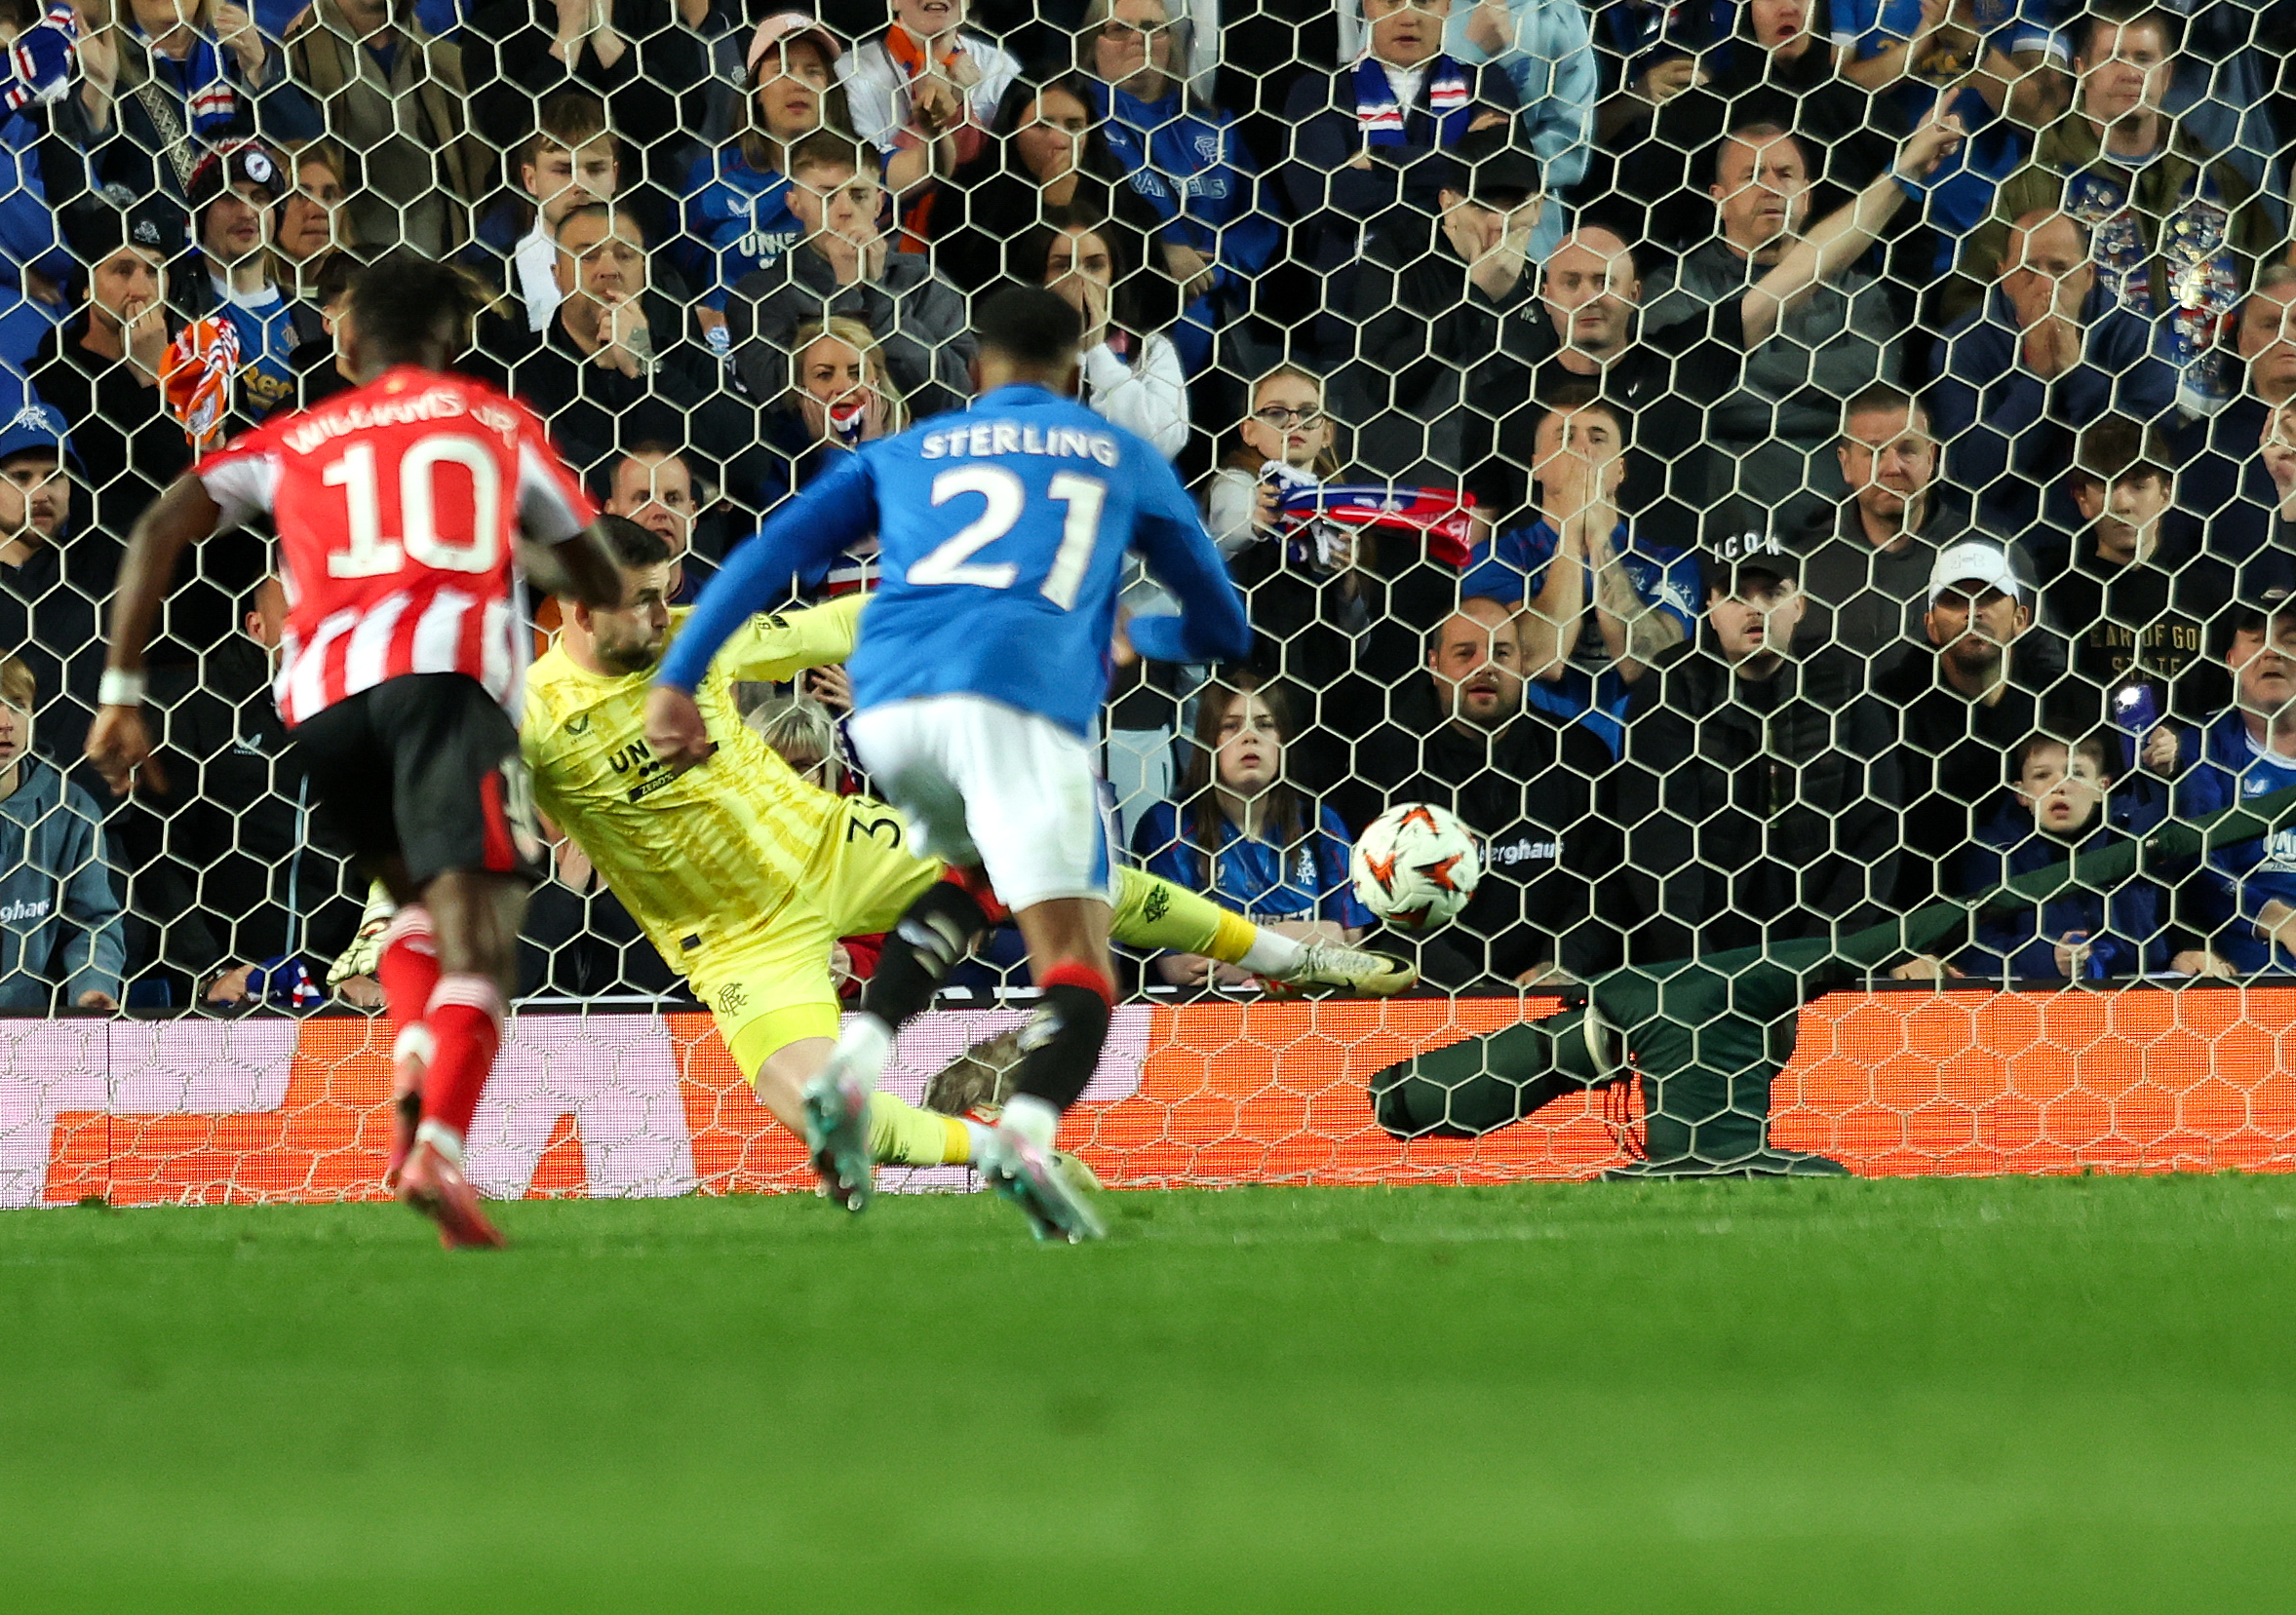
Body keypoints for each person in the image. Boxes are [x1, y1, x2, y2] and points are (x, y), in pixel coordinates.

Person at [642, 282, 1252, 1241]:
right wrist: (1139, 631)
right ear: (1073, 369)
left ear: (974, 370)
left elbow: (765, 560)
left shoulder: (906, 449)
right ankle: (1022, 1131)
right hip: (1011, 708)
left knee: (972, 880)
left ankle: (857, 1054)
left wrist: (677, 675)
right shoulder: (1117, 454)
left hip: (886, 713)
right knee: (1081, 966)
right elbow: (1226, 624)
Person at [523, 541, 1395, 1181]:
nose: (654, 618)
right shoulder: (530, 718)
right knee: (819, 1111)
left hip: (834, 849)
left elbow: (831, 622)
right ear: (572, 605)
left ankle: (1293, 960)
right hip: (738, 942)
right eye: (635, 604)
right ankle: (997, 1152)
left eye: (658, 596)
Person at [85, 257, 634, 1250]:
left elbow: (165, 519)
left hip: (322, 706)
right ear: (454, 342)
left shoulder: (294, 433)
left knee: (416, 909)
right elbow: (596, 564)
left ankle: (414, 1052)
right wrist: (562, 562)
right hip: (445, 680)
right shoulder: (496, 423)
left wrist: (122, 690)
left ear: (343, 347)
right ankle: (437, 1139)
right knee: (488, 932)